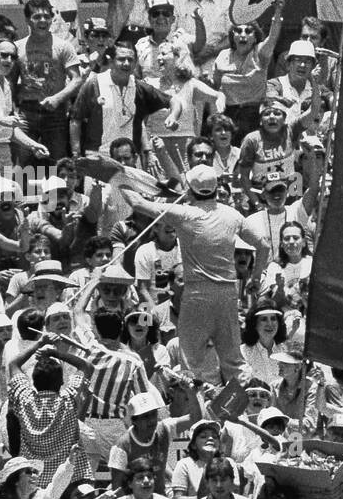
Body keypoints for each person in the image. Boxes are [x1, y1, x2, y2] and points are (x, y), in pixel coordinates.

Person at [115, 163, 269, 383]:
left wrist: (118, 178)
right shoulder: (233, 215)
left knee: (190, 362)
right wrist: (255, 277)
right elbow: (263, 244)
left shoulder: (185, 213)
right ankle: (249, 408)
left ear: (191, 190)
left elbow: (137, 202)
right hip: (227, 294)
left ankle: (194, 410)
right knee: (234, 361)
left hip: (197, 295)